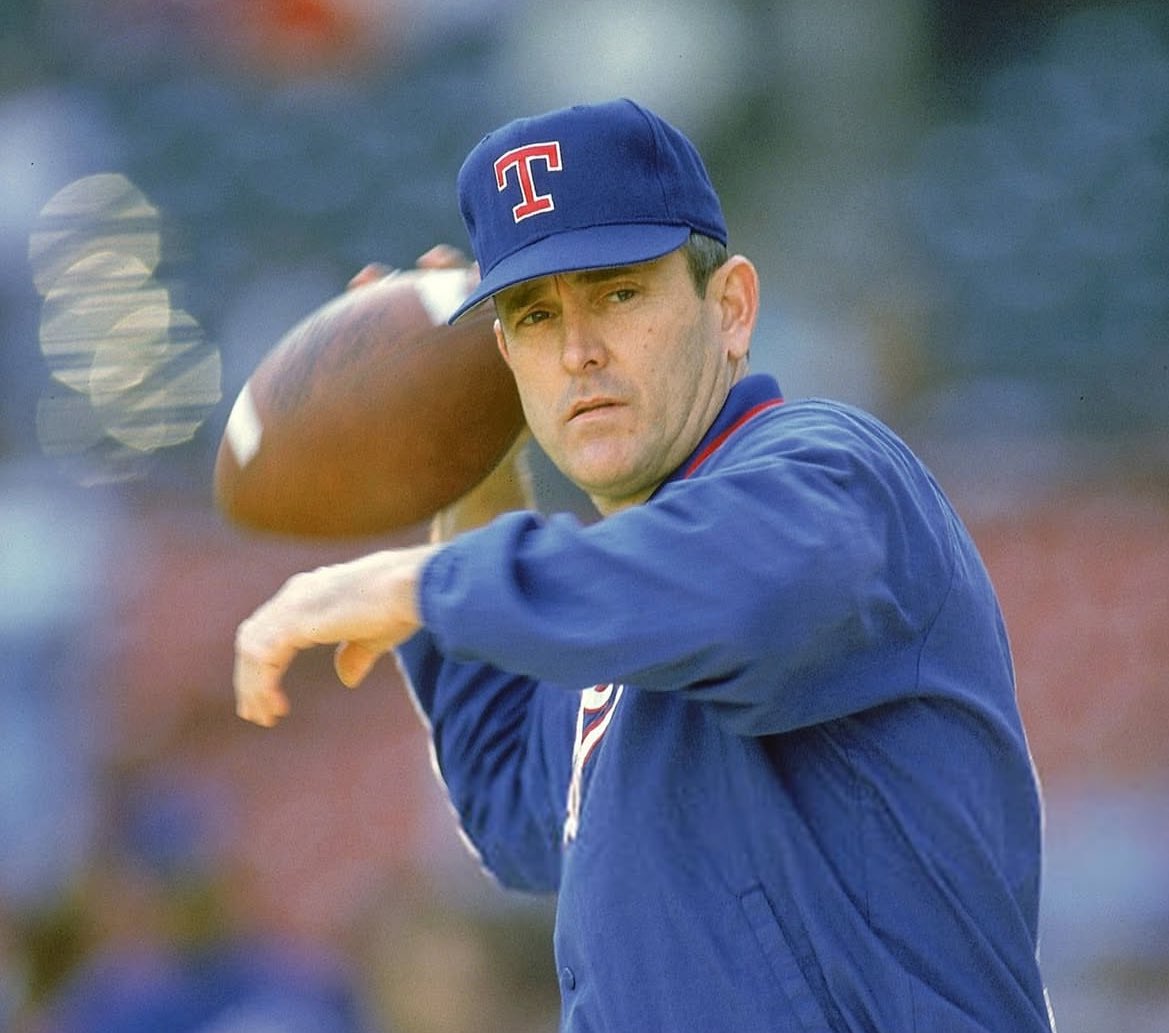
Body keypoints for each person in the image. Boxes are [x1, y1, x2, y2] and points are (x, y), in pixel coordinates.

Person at [234, 98, 1056, 1032]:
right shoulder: (624, 615)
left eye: (618, 293)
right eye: (534, 315)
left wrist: (416, 584)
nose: (577, 351)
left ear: (730, 308)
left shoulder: (833, 472)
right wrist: (469, 467)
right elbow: (516, 807)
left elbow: (731, 592)